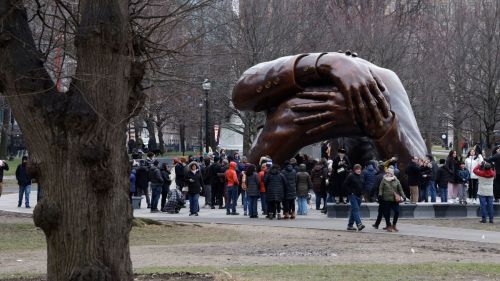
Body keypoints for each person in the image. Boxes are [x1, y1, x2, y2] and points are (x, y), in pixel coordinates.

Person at [378, 166, 406, 232]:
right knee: (386, 213)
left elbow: (400, 189)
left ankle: (394, 225)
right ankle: (388, 225)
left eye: (389, 173)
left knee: (397, 211)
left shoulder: (396, 180)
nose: (388, 174)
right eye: (387, 173)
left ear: (392, 173)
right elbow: (381, 188)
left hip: (394, 199)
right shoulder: (384, 179)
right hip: (386, 199)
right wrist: (380, 195)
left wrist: (403, 196)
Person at [344, 164, 365, 231]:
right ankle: (359, 224)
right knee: (356, 209)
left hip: (359, 195)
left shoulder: (362, 176)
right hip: (352, 195)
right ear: (354, 170)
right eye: (357, 169)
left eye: (359, 169)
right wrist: (350, 192)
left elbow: (362, 185)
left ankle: (350, 225)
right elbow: (345, 185)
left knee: (354, 210)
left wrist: (363, 194)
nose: (359, 170)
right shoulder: (351, 176)